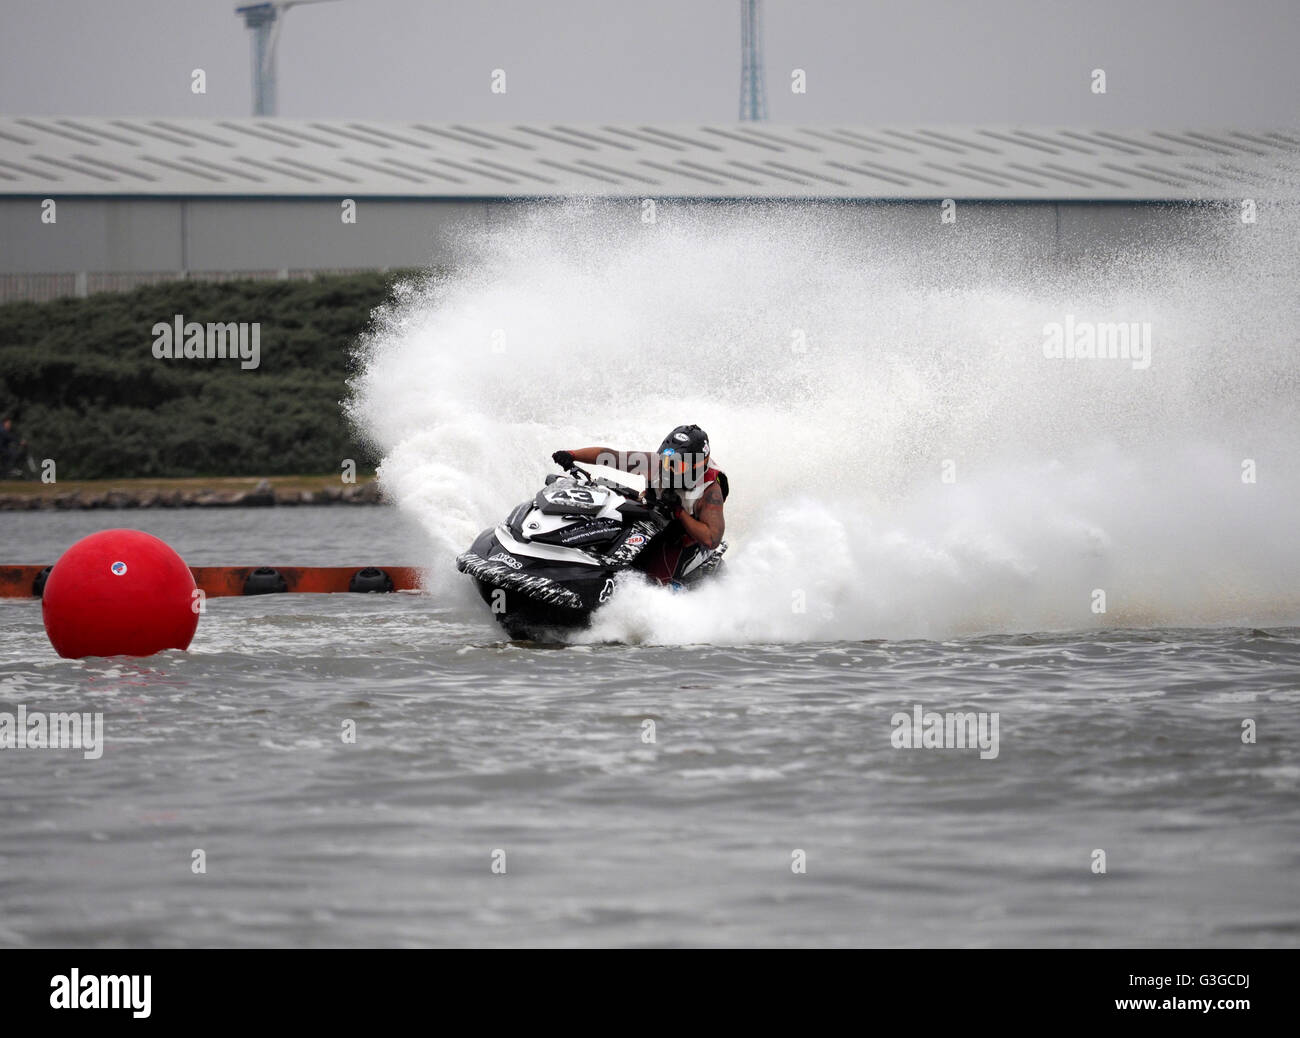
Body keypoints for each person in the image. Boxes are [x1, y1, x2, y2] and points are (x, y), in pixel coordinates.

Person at [552, 424, 728, 585]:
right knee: (613, 505)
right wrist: (572, 455)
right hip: (652, 517)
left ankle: (667, 591)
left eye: (678, 466)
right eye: (667, 461)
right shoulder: (652, 463)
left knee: (655, 577)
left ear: (697, 465)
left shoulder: (710, 491)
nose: (669, 468)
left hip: (681, 539)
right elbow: (608, 456)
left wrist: (679, 512)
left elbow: (711, 538)